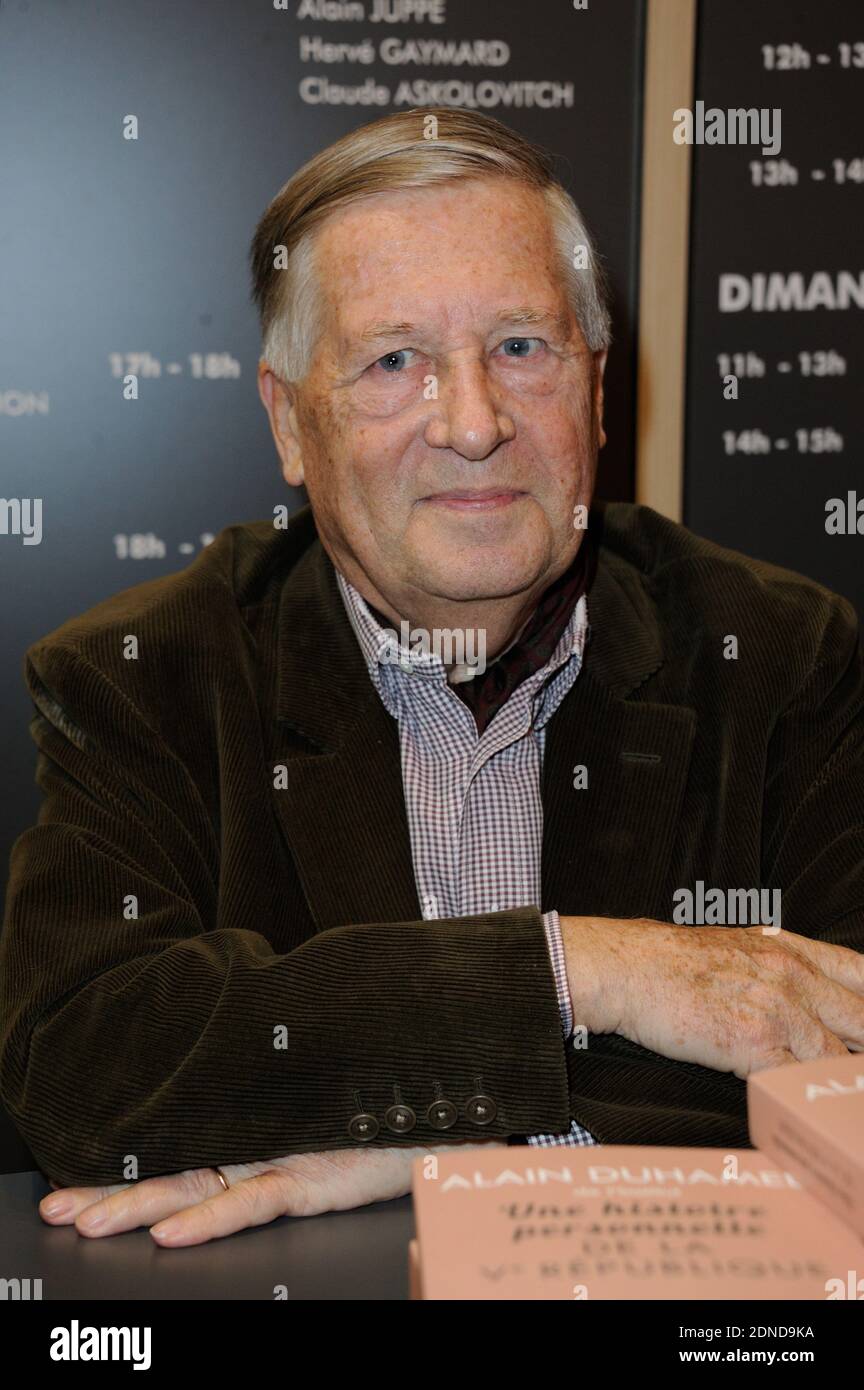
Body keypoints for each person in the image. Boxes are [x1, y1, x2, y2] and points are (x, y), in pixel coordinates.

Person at [1, 109, 862, 1249]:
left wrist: (433, 1136)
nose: (472, 423)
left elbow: (848, 1072)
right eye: (394, 360)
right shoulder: (143, 677)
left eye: (521, 346)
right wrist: (582, 970)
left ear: (597, 391)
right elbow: (85, 1064)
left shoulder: (788, 658)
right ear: (290, 425)